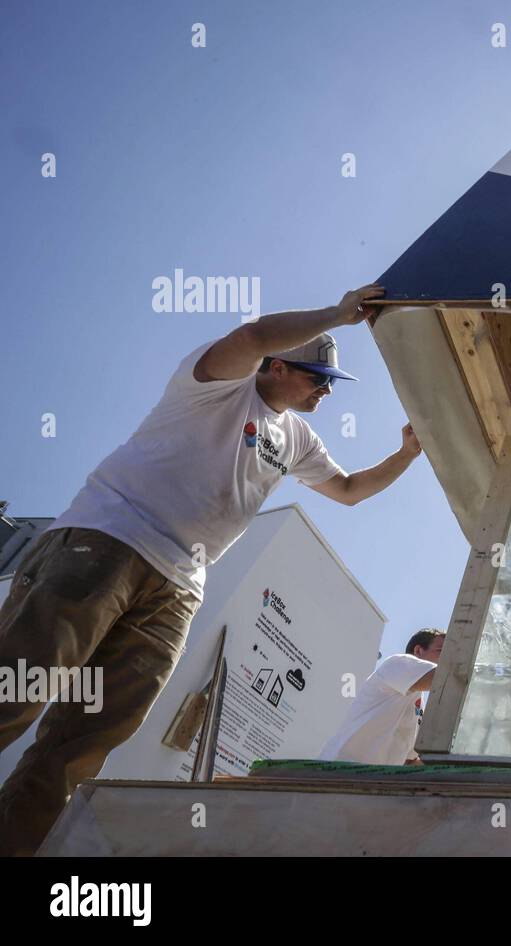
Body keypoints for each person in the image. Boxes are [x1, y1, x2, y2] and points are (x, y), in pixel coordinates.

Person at [0, 284, 425, 855]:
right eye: (315, 377)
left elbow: (348, 491)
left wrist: (406, 454)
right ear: (276, 366)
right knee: (17, 691)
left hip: (175, 590)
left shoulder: (297, 438)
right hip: (107, 544)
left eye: (330, 383)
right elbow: (248, 337)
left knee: (82, 744)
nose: (326, 390)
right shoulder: (217, 384)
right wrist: (336, 315)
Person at [320, 629, 445, 766]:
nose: (447, 659)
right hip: (339, 771)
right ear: (418, 651)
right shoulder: (399, 663)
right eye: (442, 652)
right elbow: (446, 678)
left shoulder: (418, 707)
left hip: (372, 781)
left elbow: (408, 760)